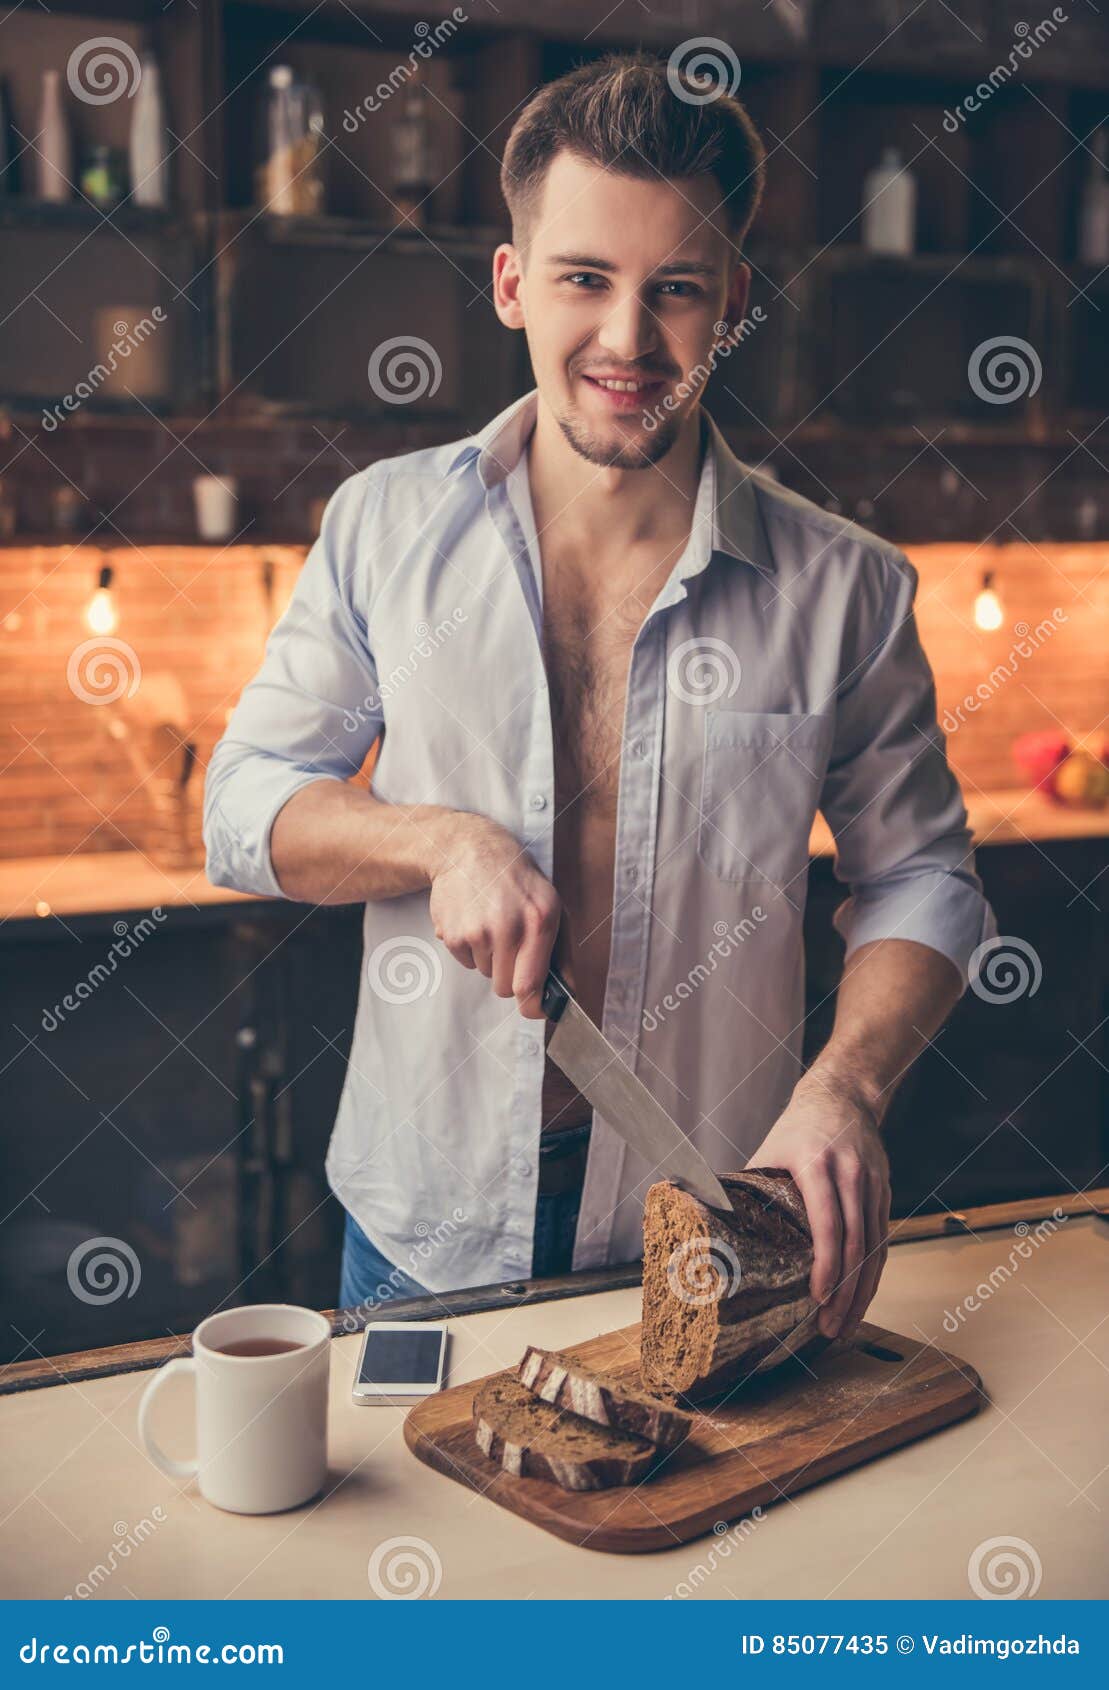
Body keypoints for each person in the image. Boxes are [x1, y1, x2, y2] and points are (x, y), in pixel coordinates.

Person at [203, 51, 993, 1336]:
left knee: (696, 1535)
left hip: (706, 1237)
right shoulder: (384, 530)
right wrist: (438, 840)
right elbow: (239, 809)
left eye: (673, 290)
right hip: (423, 1238)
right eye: (584, 279)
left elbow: (922, 880)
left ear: (731, 301)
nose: (627, 341)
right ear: (513, 284)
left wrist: (844, 1083)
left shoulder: (846, 589)